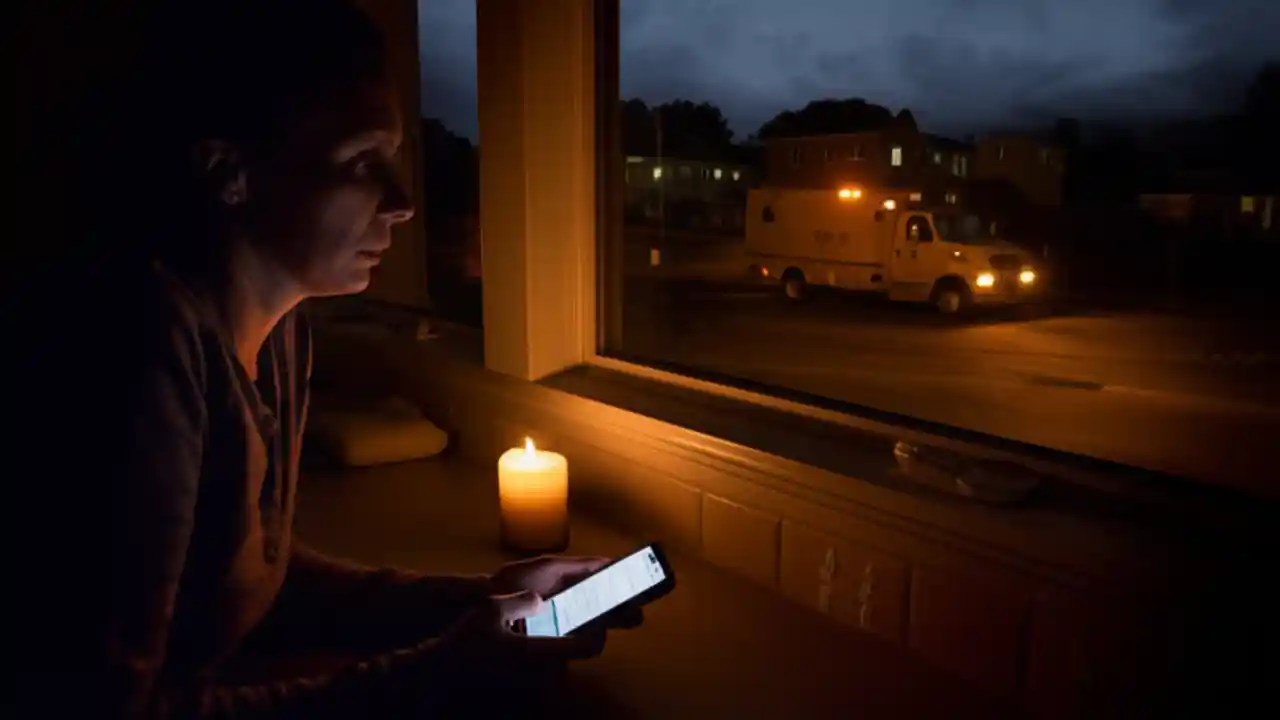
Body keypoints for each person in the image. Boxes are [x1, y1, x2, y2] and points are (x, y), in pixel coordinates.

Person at [10, 1, 637, 716]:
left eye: (395, 160)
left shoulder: (278, 331)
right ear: (229, 171)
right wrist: (446, 671)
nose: (402, 202)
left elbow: (249, 585)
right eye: (362, 161)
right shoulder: (132, 350)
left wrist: (479, 600)